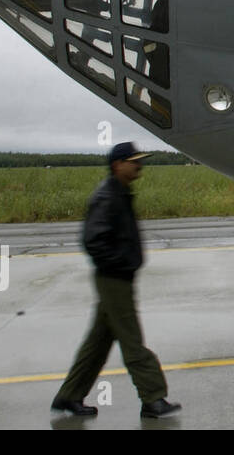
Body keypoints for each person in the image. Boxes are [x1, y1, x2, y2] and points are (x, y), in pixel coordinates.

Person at [52, 142, 182, 418]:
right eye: (133, 161)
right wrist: (120, 264)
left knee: (97, 343)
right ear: (117, 165)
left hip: (117, 277)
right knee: (132, 341)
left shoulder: (119, 192)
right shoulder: (107, 196)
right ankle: (153, 398)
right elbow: (93, 240)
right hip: (115, 279)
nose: (139, 165)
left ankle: (69, 396)